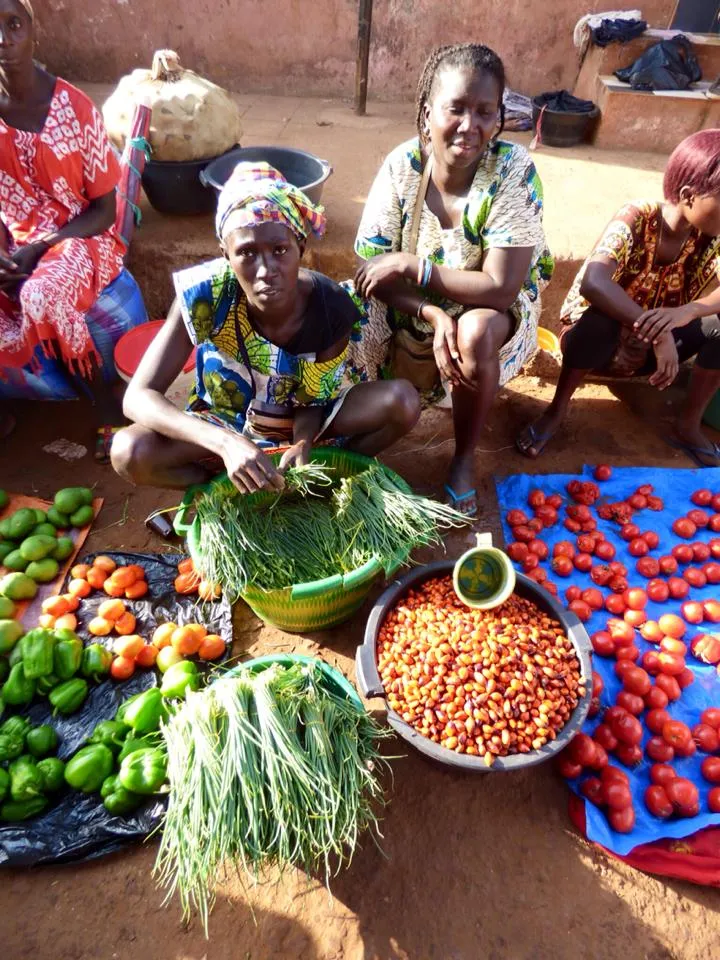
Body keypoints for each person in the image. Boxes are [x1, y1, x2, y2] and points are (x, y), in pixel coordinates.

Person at [111, 162, 420, 492]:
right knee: (129, 452)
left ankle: (330, 472)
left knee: (402, 401)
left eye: (280, 250)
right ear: (225, 255)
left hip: (304, 420)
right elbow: (138, 398)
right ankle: (219, 490)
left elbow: (313, 400)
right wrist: (226, 444)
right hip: (226, 419)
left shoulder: (330, 306)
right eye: (246, 253)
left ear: (301, 248)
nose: (265, 270)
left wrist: (303, 444)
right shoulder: (205, 295)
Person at [346, 43, 553, 516]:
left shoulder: (512, 171)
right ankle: (342, 437)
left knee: (473, 330)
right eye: (455, 108)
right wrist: (430, 310)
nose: (470, 126)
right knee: (342, 307)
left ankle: (462, 457)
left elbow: (500, 287)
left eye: (485, 112)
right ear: (427, 113)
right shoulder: (403, 167)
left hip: (496, 310)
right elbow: (372, 270)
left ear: (499, 118)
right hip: (418, 305)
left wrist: (417, 268)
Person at [517, 129, 720, 467]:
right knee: (598, 319)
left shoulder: (710, 236)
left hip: (653, 354)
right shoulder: (637, 216)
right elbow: (594, 283)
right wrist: (658, 332)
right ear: (688, 196)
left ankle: (687, 426)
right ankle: (555, 411)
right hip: (600, 348)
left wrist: (688, 311)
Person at [0, 0, 146, 456]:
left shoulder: (75, 108)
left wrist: (43, 248)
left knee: (41, 294)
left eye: (14, 25)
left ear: (34, 33)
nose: (3, 39)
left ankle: (105, 406)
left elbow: (103, 210)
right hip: (16, 238)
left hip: (82, 238)